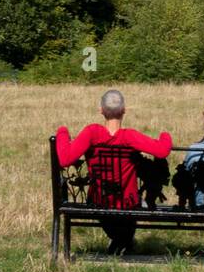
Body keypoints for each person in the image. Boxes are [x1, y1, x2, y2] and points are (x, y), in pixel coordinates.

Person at [54, 89, 171, 255]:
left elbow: (65, 159)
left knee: (116, 218)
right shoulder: (129, 136)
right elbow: (162, 151)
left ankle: (121, 241)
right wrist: (165, 135)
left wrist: (62, 132)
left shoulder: (92, 132)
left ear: (101, 110)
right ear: (124, 110)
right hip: (128, 202)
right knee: (133, 207)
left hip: (98, 200)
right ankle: (123, 242)